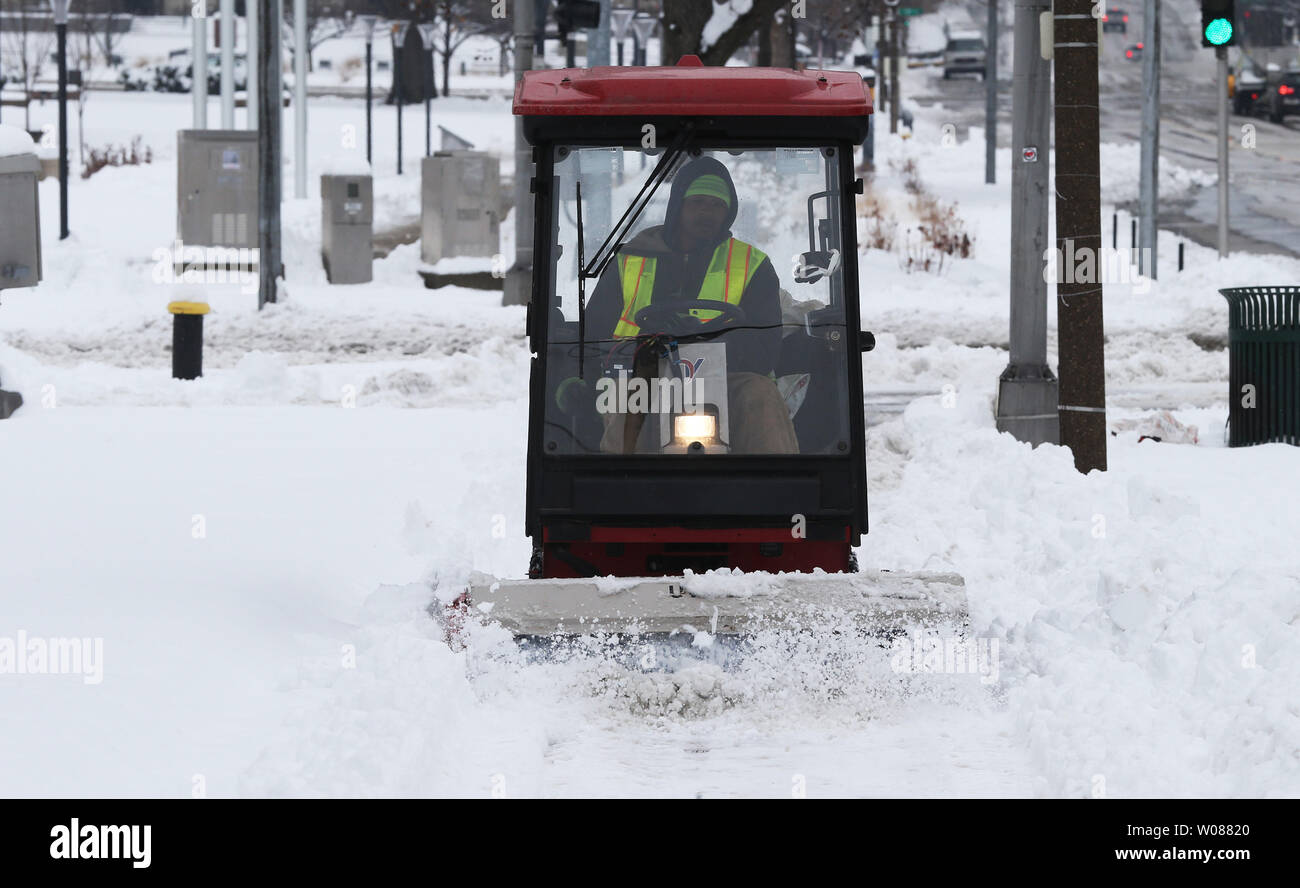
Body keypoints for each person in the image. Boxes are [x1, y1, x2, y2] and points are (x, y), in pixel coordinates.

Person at [582, 157, 798, 454]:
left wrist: (701, 341)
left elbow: (764, 345)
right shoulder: (630, 260)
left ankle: (779, 493)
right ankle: (617, 489)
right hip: (641, 375)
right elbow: (594, 334)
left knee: (761, 394)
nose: (707, 212)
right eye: (698, 202)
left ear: (728, 212)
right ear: (679, 205)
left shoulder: (753, 266)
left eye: (716, 205)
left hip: (726, 377)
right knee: (623, 402)